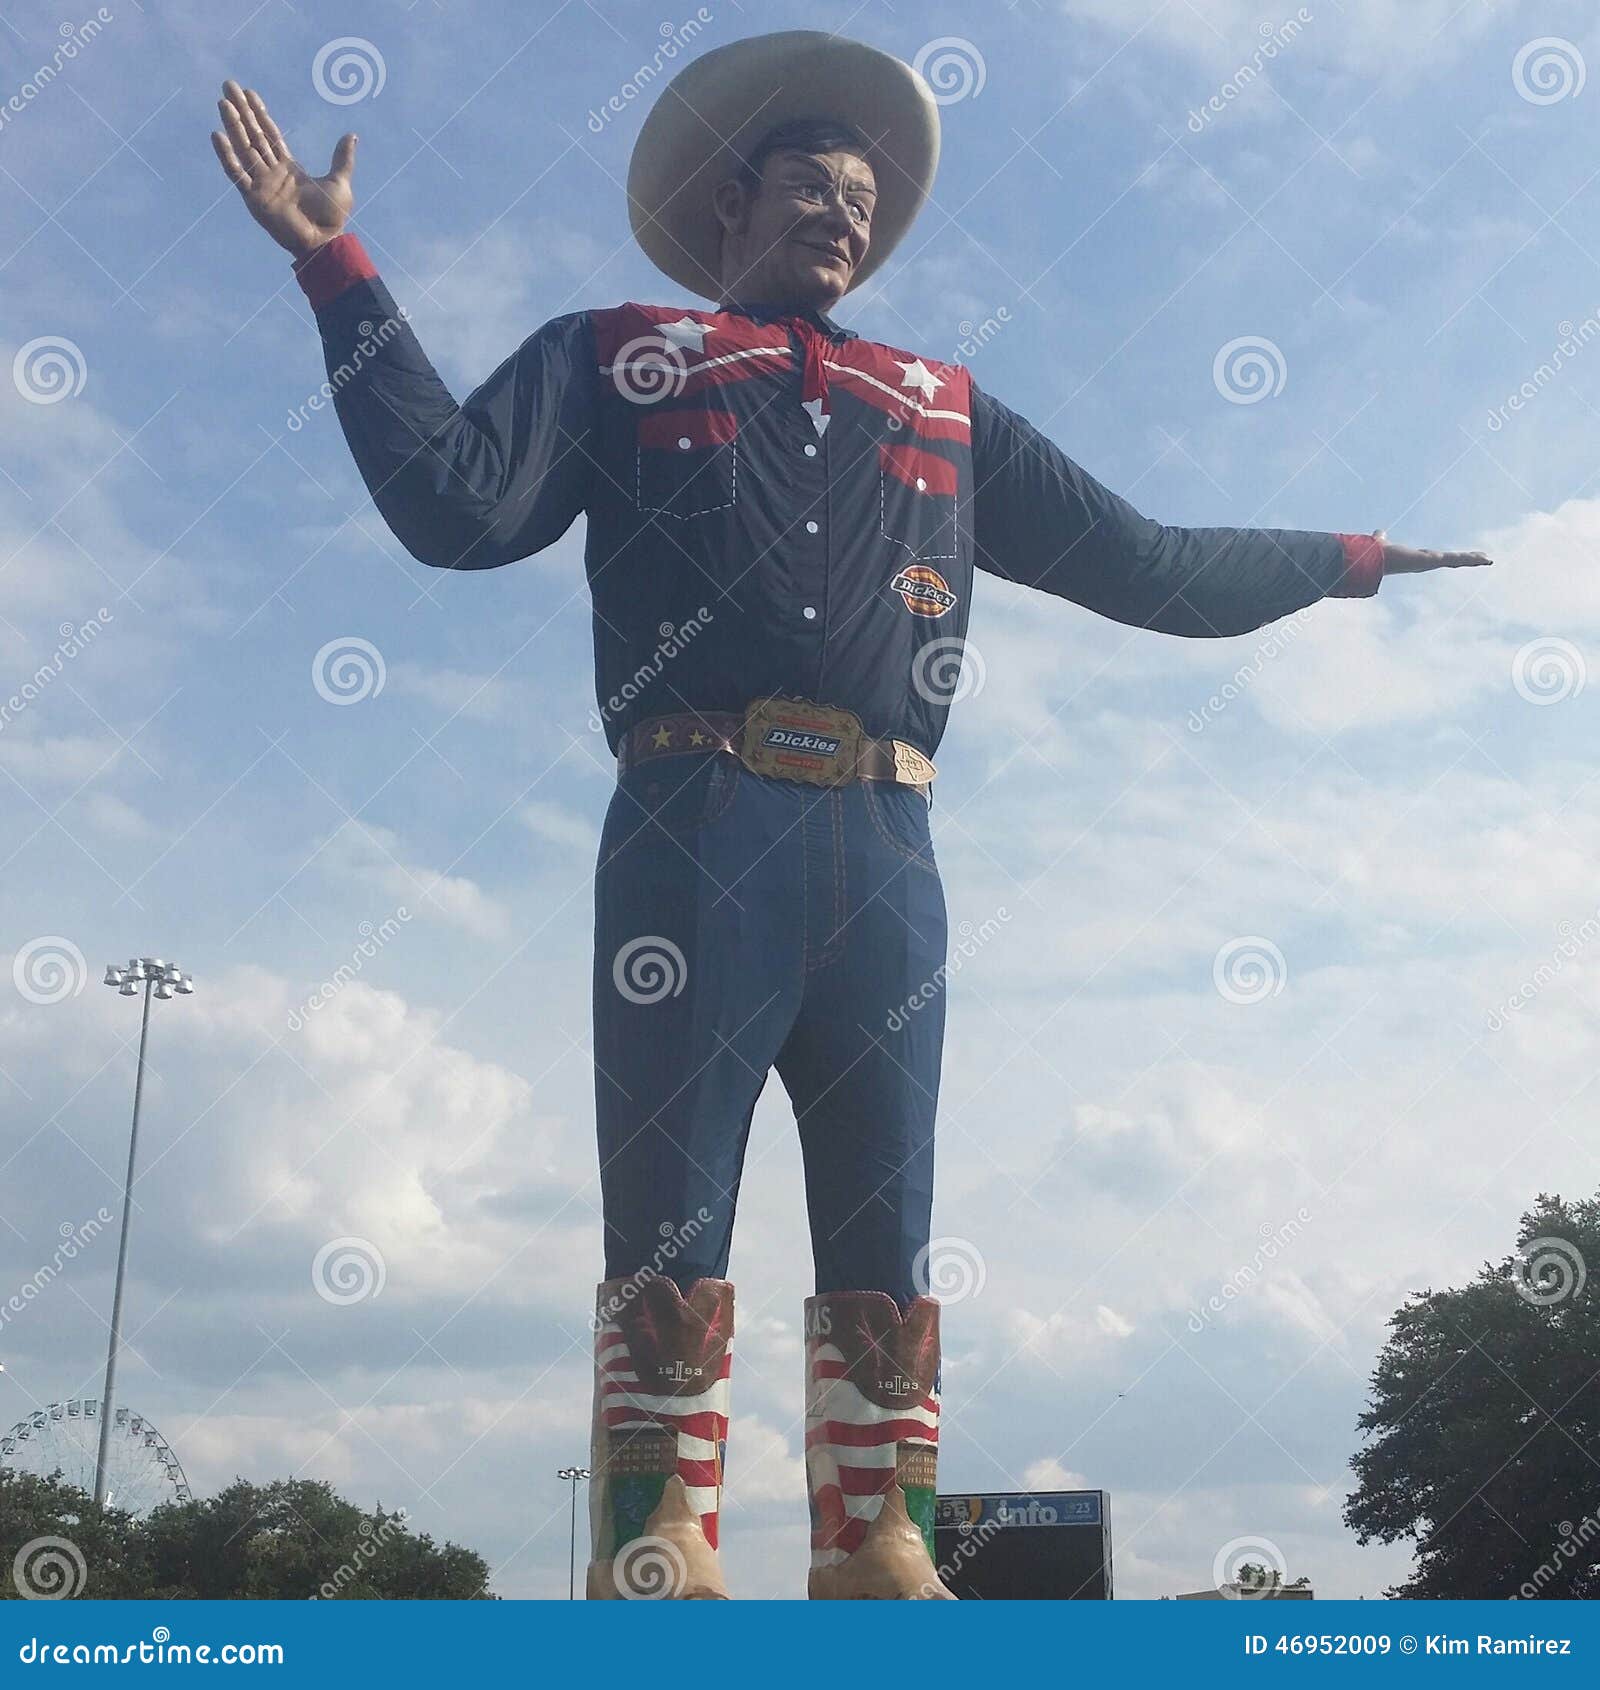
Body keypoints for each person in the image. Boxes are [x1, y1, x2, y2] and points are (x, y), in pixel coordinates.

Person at [211, 30, 1491, 1600]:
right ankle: (658, 1528)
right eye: (813, 185)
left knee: (888, 1207)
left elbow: (1147, 563)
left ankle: (881, 1533)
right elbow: (455, 504)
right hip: (694, 816)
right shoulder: (622, 353)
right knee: (670, 1197)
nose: (845, 214)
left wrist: (1346, 559)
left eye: (865, 201)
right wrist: (335, 266)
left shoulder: (943, 406)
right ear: (728, 204)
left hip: (888, 847)